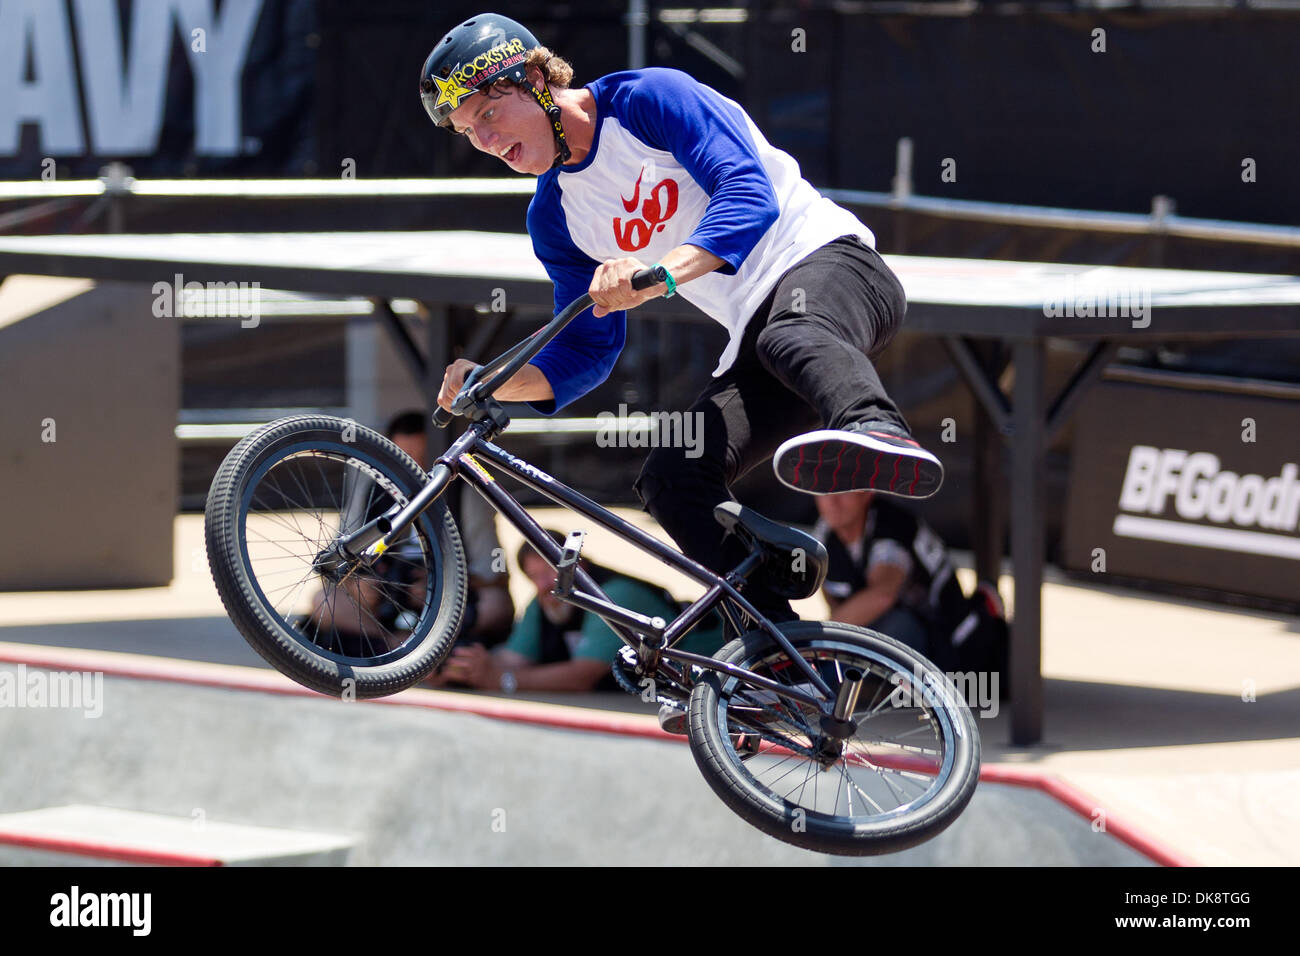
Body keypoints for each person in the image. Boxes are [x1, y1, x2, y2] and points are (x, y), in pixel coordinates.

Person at [421, 14, 942, 726]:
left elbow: (748, 195)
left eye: (488, 112)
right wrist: (494, 383)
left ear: (536, 79)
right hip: (760, 337)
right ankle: (777, 659)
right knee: (673, 478)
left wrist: (659, 274)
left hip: (829, 267)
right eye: (468, 131)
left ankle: (877, 428)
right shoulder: (556, 217)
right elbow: (587, 351)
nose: (486, 140)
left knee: (790, 333)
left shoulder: (648, 100)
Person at [439, 531, 725, 693]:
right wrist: (458, 667)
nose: (542, 586)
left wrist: (501, 680)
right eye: (534, 576)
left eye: (549, 572)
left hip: (722, 672)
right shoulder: (545, 603)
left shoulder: (613, 596)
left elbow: (582, 676)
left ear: (579, 567)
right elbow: (514, 657)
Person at [814, 489, 1007, 679]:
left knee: (895, 627)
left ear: (866, 493)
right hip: (898, 639)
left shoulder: (891, 525)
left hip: (942, 644)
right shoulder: (824, 532)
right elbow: (829, 591)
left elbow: (883, 595)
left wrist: (818, 638)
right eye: (823, 490)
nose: (832, 500)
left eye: (843, 491)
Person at [385, 411, 513, 647]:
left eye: (421, 458)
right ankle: (389, 646)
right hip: (388, 597)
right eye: (403, 459)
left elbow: (494, 576)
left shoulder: (467, 494)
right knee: (330, 598)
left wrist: (443, 582)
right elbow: (335, 563)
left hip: (457, 597)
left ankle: (432, 648)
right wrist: (374, 585)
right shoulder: (373, 488)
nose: (412, 468)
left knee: (495, 604)